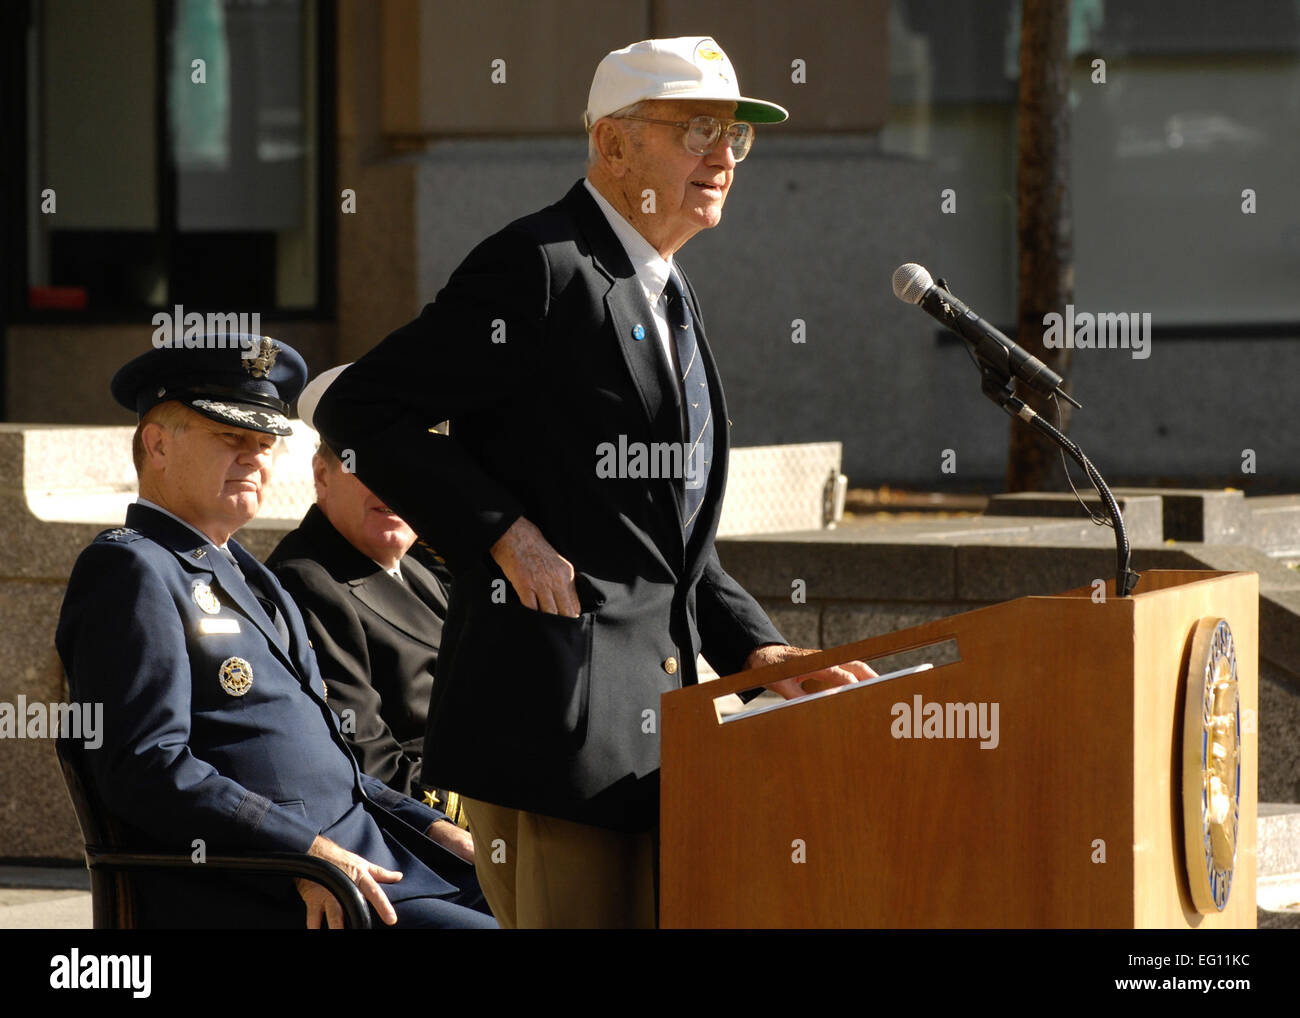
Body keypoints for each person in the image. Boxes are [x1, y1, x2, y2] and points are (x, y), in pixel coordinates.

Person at [313, 37, 874, 928]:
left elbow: (665, 539)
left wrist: (757, 650)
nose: (724, 156)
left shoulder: (669, 288)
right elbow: (359, 410)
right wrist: (502, 530)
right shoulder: (537, 266)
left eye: (735, 136)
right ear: (614, 145)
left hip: (663, 740)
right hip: (554, 735)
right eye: (697, 130)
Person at [54, 337, 494, 929]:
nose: (255, 459)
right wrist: (300, 851)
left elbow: (343, 772)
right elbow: (146, 769)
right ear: (157, 445)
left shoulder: (252, 575)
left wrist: (438, 828)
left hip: (369, 862)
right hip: (270, 888)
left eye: (264, 444)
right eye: (231, 438)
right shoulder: (132, 569)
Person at [267, 366, 467, 824]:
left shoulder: (418, 572)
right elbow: (369, 765)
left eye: (412, 467)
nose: (394, 485)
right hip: (417, 839)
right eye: (369, 464)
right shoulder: (310, 582)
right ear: (322, 475)